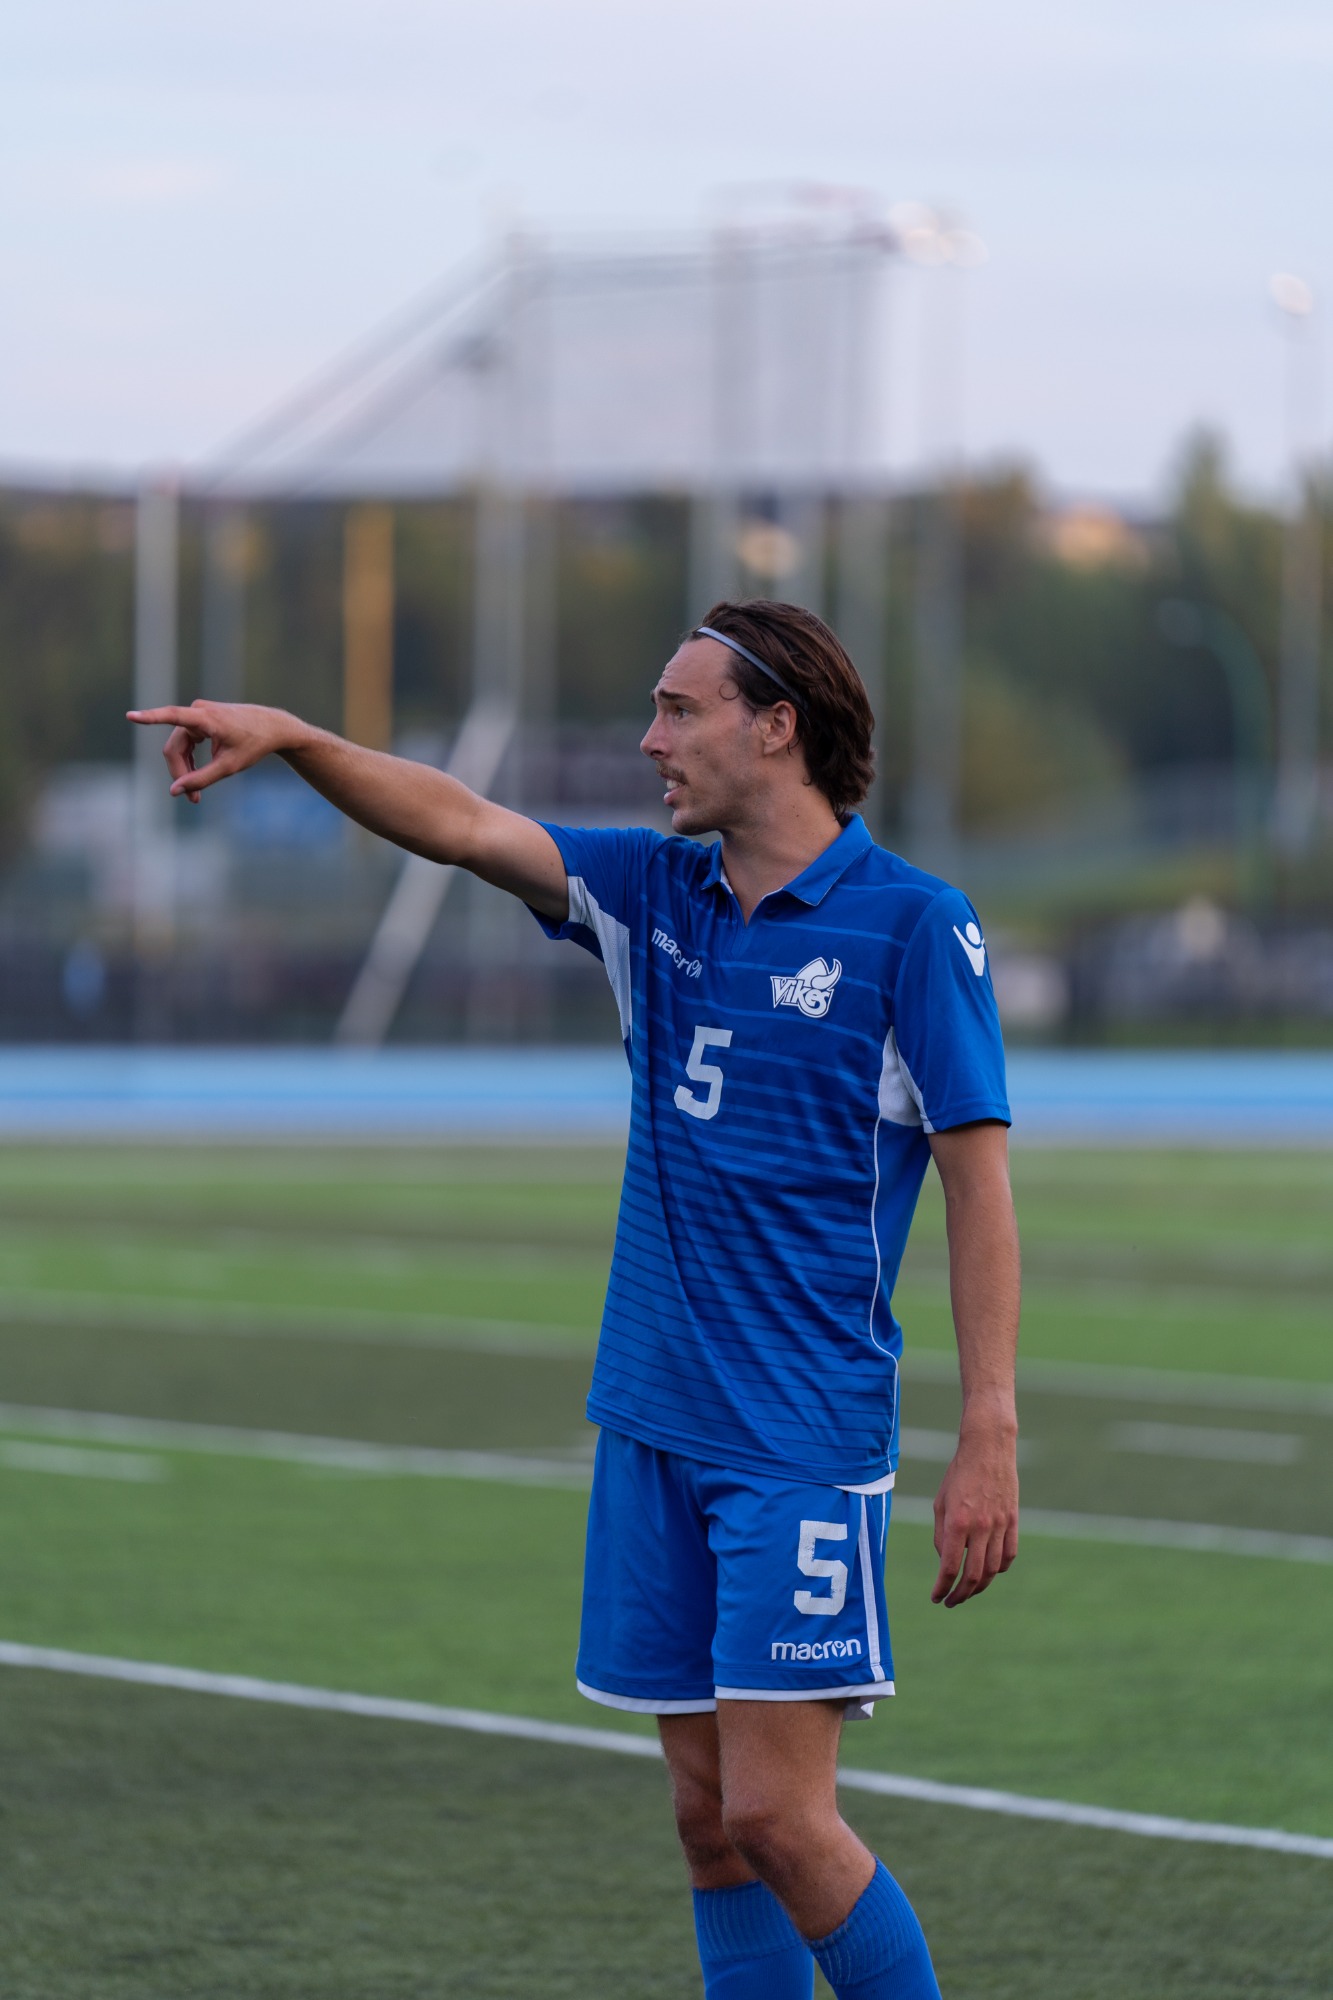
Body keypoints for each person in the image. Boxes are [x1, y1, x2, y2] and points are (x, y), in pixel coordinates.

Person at [130, 598, 1020, 2000]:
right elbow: (462, 823)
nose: (648, 739)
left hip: (794, 1440)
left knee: (780, 1818)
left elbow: (978, 1183)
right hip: (648, 1424)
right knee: (705, 1824)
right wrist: (298, 740)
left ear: (775, 727)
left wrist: (989, 1431)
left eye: (679, 710)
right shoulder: (651, 893)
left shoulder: (912, 926)